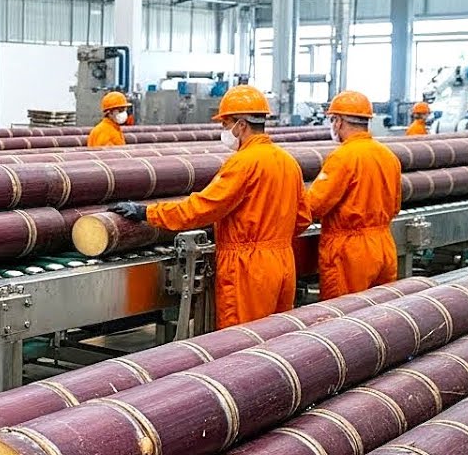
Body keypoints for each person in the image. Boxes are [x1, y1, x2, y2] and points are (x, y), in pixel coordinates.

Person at [109, 85, 312, 328]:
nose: (224, 131)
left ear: (241, 125)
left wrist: (147, 212)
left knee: (242, 344)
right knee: (273, 339)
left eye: (226, 125)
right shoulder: (288, 162)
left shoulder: (243, 163)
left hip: (248, 270)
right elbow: (302, 218)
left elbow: (202, 208)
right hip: (282, 262)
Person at [305, 90, 401, 300]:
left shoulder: (343, 157)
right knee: (381, 315)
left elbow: (314, 205)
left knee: (344, 321)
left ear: (338, 122)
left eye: (332, 120)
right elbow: (395, 206)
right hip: (384, 245)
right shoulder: (388, 156)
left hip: (351, 254)